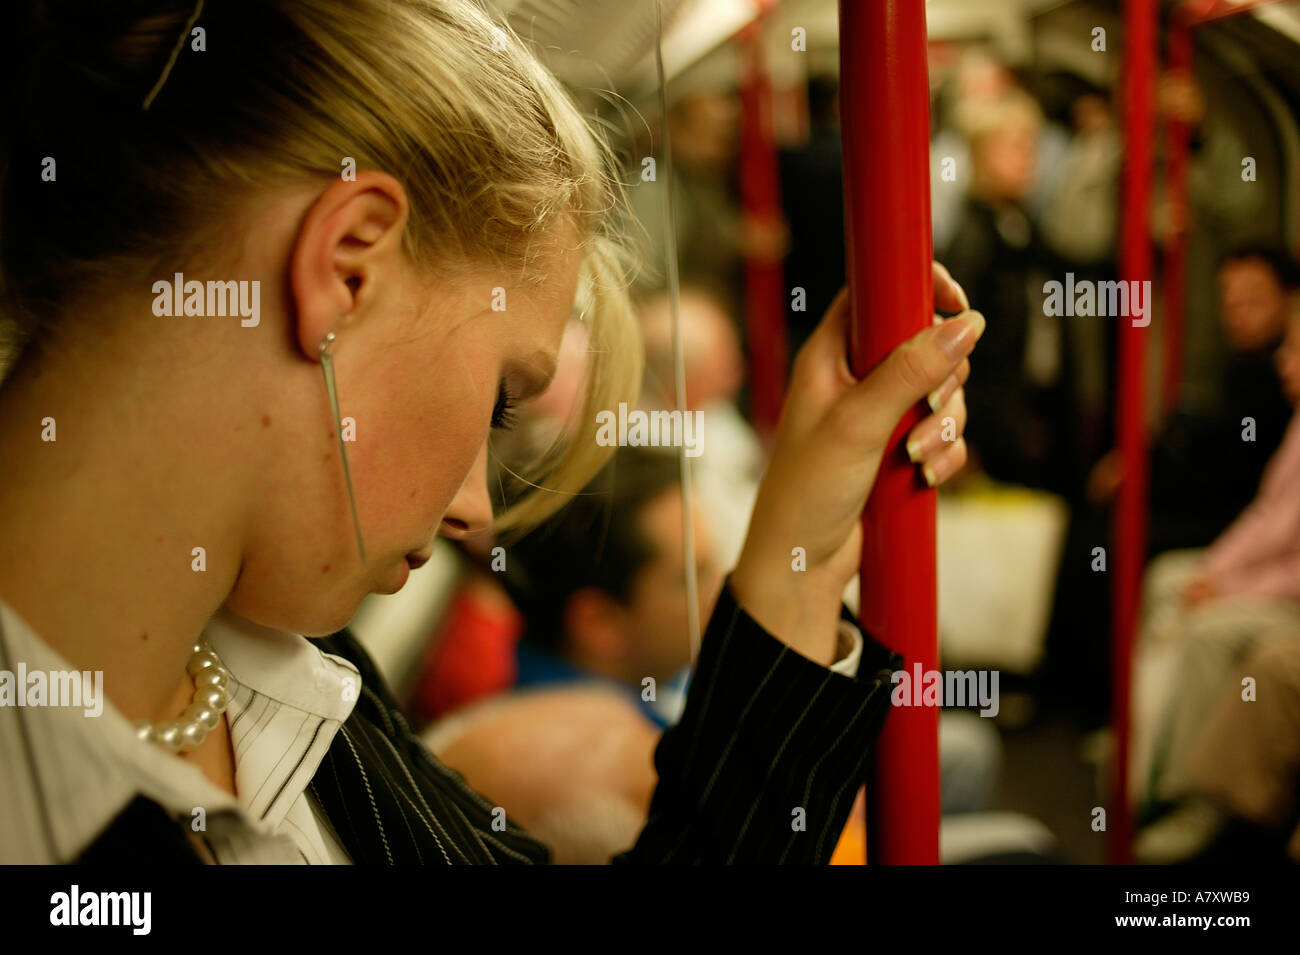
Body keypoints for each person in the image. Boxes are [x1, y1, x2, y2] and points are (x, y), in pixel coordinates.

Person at [0, 0, 984, 864]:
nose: (476, 510)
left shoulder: (307, 682)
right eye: (499, 402)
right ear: (345, 268)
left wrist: (802, 536)